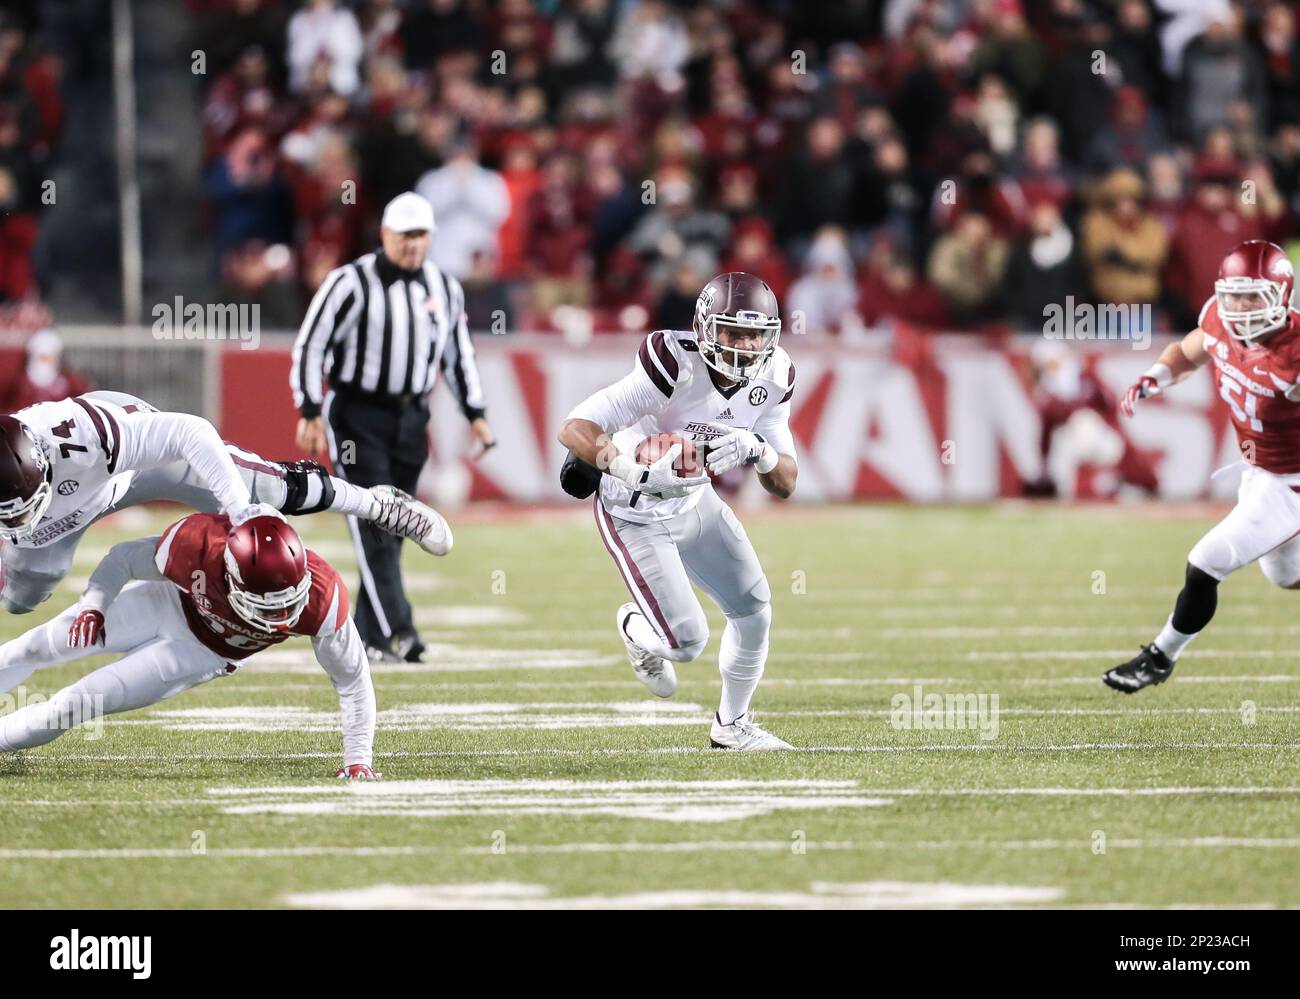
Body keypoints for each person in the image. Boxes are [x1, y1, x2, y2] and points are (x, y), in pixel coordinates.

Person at [557, 271, 797, 750]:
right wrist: (634, 472)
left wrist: (759, 450)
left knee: (754, 612)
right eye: (732, 331)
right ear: (707, 328)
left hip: (694, 501)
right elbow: (575, 428)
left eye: (755, 334)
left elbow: (786, 481)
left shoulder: (774, 376)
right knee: (687, 643)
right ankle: (634, 625)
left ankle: (732, 727)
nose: (744, 346)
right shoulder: (673, 364)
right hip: (634, 511)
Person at [0, 509, 377, 779]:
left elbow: (353, 682)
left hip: (202, 652)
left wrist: (358, 758)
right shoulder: (198, 544)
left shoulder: (323, 600)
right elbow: (124, 558)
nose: (280, 617)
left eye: (288, 603)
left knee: (79, 701)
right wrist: (94, 605)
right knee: (36, 646)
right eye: (266, 605)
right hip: (167, 600)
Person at [0, 391, 449, 616]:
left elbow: (191, 431)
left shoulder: (88, 436)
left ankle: (378, 504)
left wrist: (240, 512)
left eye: (23, 507)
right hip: (66, 513)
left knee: (266, 489)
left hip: (134, 468)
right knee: (23, 598)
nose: (21, 521)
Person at [291, 191, 494, 663]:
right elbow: (311, 346)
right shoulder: (351, 282)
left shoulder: (444, 288)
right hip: (358, 415)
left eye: (421, 235)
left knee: (394, 529)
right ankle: (401, 631)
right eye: (405, 235)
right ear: (385, 234)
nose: (413, 245)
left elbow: (457, 355)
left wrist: (477, 414)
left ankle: (369, 637)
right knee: (376, 524)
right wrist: (309, 409)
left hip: (411, 417)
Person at [1107, 240, 1300, 691]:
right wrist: (1156, 376)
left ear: (1281, 294)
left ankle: (1159, 656)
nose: (1239, 306)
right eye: (1233, 294)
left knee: (1206, 561)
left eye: (1252, 295)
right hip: (1259, 472)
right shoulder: (1218, 318)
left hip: (1291, 483)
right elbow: (1191, 350)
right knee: (1286, 576)